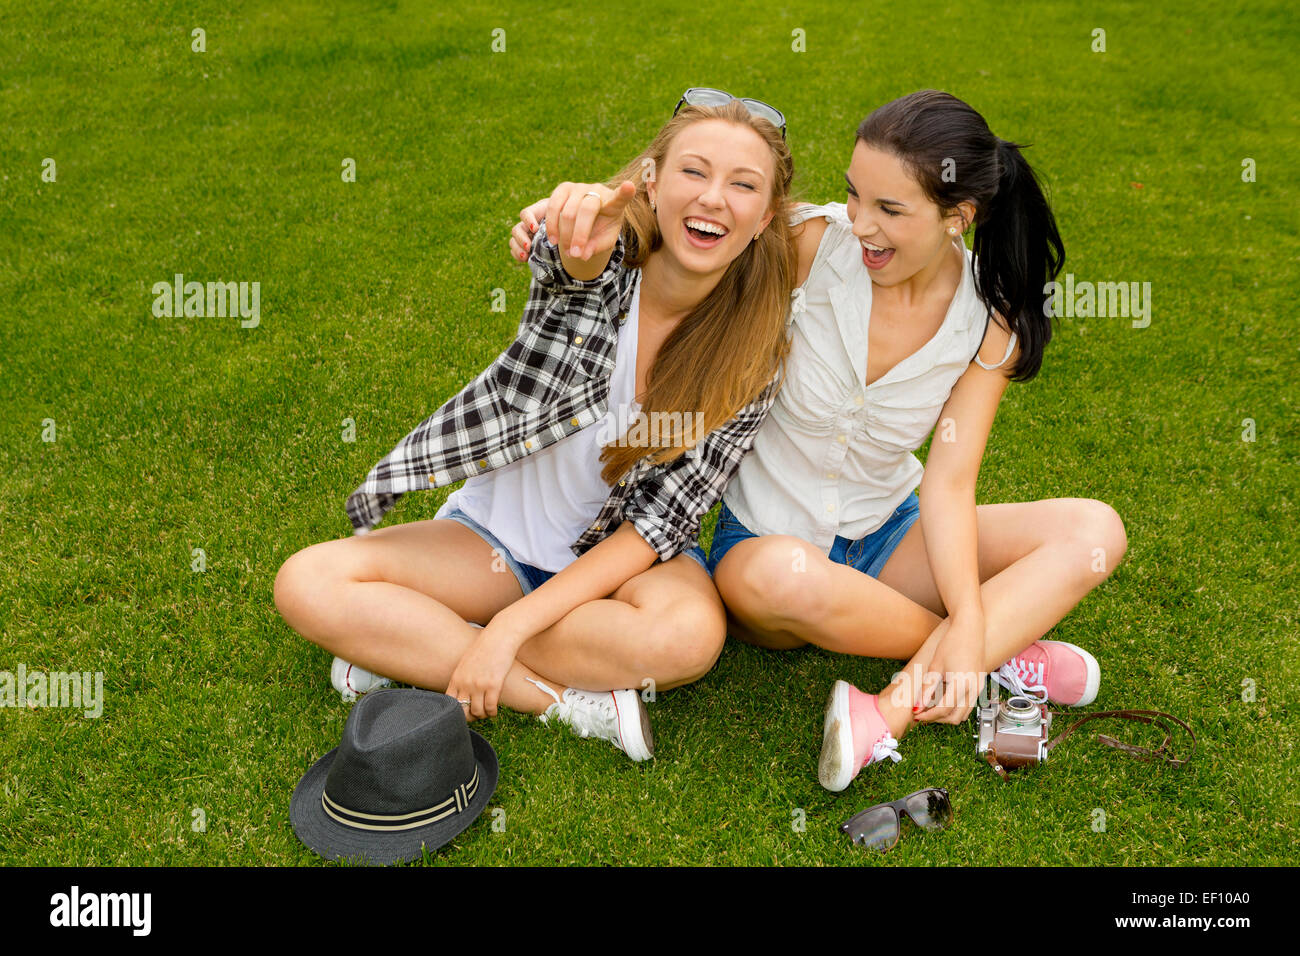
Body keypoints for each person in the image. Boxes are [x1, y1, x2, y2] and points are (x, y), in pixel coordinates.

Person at [511, 90, 1126, 790]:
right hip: (766, 552)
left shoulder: (989, 317)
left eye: (891, 210)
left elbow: (949, 483)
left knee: (1092, 529)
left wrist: (966, 615)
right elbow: (689, 219)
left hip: (889, 534)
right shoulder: (810, 245)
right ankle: (996, 649)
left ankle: (888, 710)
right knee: (781, 577)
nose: (862, 224)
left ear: (959, 218)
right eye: (855, 195)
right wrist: (576, 212)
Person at [274, 92, 798, 763]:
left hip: (613, 561)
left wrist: (510, 627)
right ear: (652, 182)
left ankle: (420, 643)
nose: (714, 199)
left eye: (743, 185)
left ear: (766, 217)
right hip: (492, 543)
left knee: (690, 638)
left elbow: (656, 526)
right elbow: (568, 274)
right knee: (307, 581)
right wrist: (570, 239)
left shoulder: (755, 351)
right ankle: (557, 700)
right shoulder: (604, 265)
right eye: (694, 172)